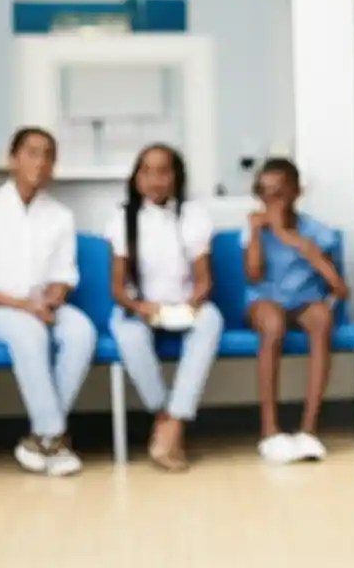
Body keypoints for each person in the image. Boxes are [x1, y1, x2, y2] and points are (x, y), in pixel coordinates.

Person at [0, 127, 95, 476]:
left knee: (81, 332)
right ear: (12, 159)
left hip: (43, 307)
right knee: (29, 332)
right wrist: (22, 306)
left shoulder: (60, 215)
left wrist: (52, 299)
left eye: (48, 156)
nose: (40, 162)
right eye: (32, 153)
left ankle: (39, 439)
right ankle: (54, 435)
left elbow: (64, 275)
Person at [106, 144, 223, 472]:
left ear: (176, 177)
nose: (155, 179)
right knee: (128, 334)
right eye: (147, 171)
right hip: (141, 306)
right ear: (136, 177)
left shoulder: (193, 215)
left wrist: (192, 304)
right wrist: (140, 306)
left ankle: (174, 421)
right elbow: (117, 288)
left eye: (163, 171)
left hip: (183, 306)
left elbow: (204, 281)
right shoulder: (122, 219)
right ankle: (165, 418)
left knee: (211, 320)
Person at [244, 157, 349, 464]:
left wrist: (296, 242)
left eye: (278, 193)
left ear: (295, 193)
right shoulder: (254, 229)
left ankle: (309, 430)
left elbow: (340, 289)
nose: (271, 201)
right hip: (264, 302)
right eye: (264, 193)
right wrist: (255, 235)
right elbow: (253, 276)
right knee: (273, 323)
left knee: (322, 318)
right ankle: (270, 431)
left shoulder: (316, 231)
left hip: (304, 301)